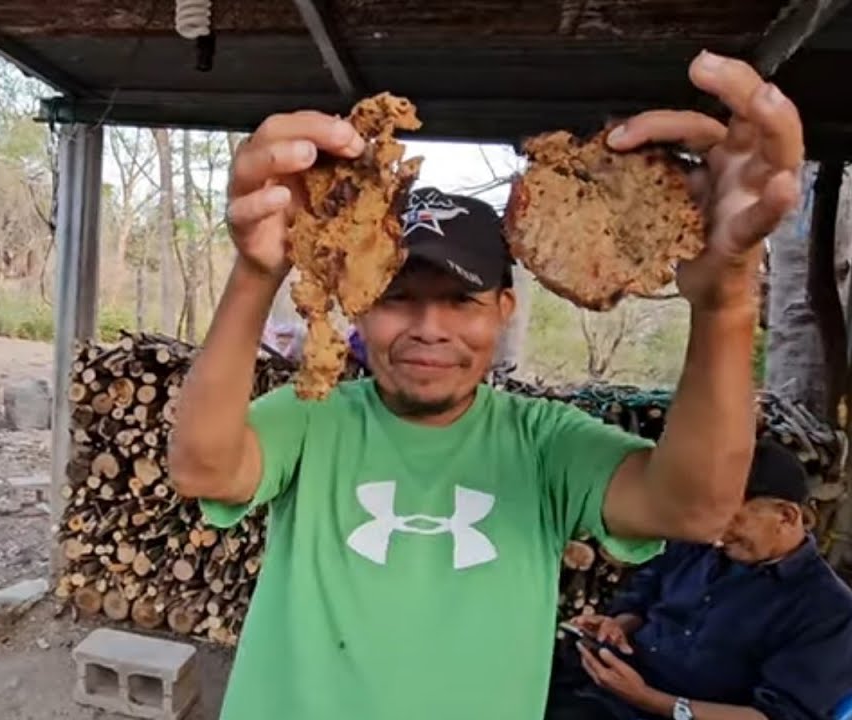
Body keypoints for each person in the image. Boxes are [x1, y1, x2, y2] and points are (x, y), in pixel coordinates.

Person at [168, 50, 804, 720]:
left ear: (504, 310)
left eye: (462, 301)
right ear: (357, 301)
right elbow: (203, 468)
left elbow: (695, 510)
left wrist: (727, 303)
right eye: (397, 296)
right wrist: (256, 270)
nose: (428, 328)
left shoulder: (544, 444)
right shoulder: (313, 418)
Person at [548, 439, 852, 720]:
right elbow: (644, 591)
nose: (716, 536)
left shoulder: (829, 611)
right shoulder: (699, 544)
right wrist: (620, 625)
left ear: (785, 515)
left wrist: (646, 698)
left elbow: (773, 716)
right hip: (602, 696)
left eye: (730, 519)